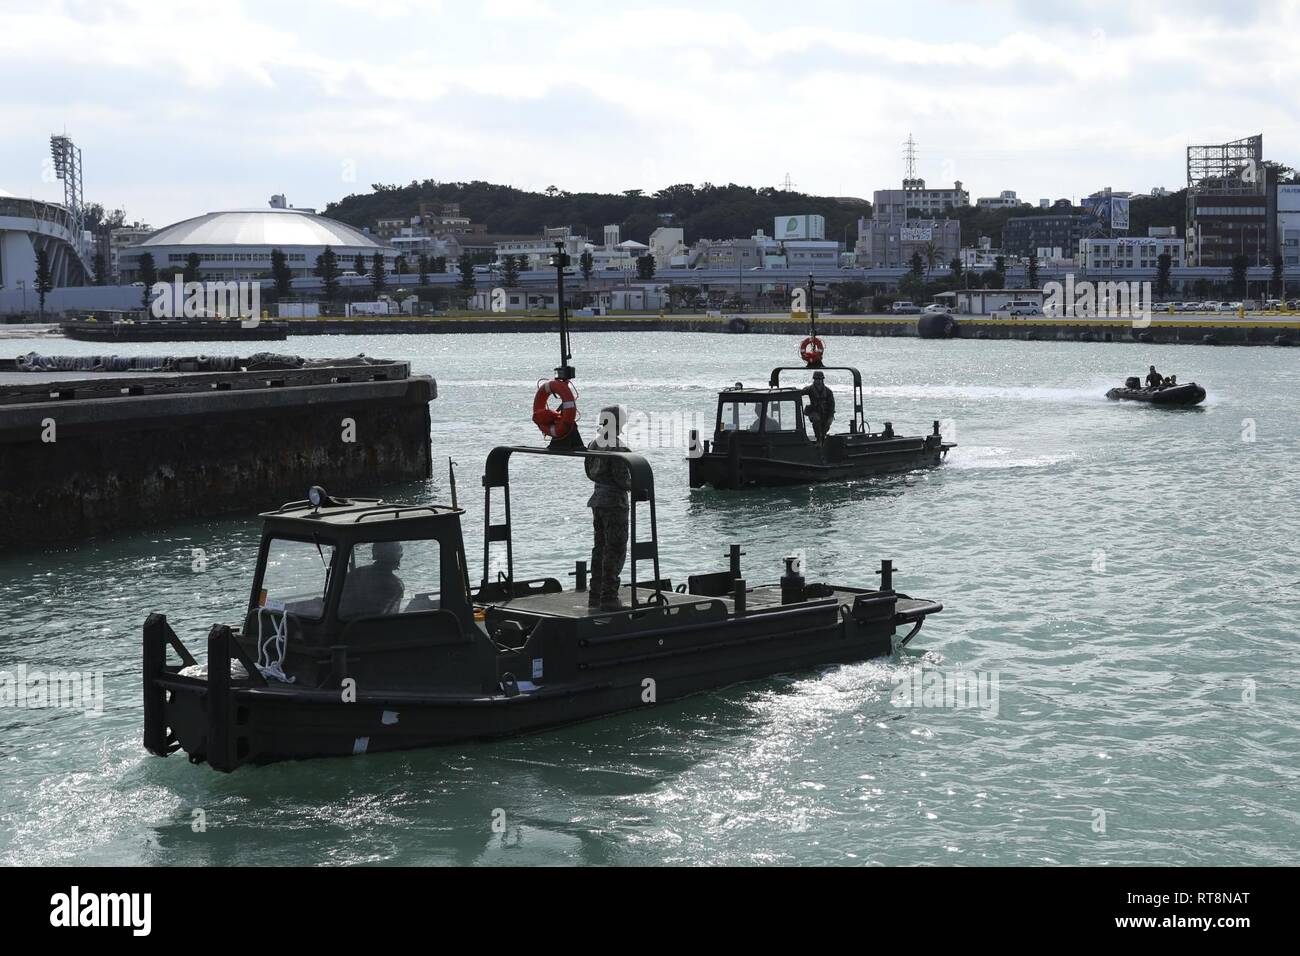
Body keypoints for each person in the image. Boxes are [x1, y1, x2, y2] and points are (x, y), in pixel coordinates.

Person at [586, 405, 631, 612]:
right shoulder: (618, 448)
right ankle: (609, 597)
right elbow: (623, 480)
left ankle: (595, 594)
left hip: (597, 500)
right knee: (615, 550)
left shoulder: (594, 444)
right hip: (615, 504)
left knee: (600, 548)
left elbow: (589, 470)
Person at [340, 541, 405, 618]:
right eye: (399, 555)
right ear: (395, 558)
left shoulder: (356, 574)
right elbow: (391, 618)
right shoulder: (396, 585)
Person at [802, 370, 836, 443]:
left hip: (825, 412)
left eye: (820, 379)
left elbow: (832, 405)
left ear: (822, 380)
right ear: (814, 380)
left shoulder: (828, 391)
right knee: (816, 420)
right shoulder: (810, 389)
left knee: (826, 425)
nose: (818, 381)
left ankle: (822, 438)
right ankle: (818, 439)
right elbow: (802, 392)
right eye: (817, 379)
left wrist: (831, 416)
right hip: (814, 411)